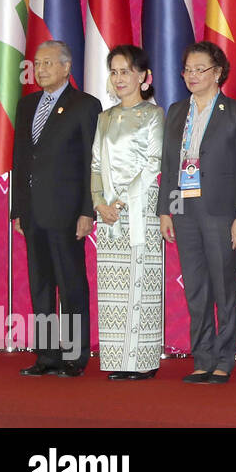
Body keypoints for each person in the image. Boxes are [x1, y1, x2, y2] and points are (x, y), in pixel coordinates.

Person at [160, 41, 236, 385]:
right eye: (188, 70)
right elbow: (170, 163)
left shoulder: (235, 112)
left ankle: (224, 360)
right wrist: (167, 210)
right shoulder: (176, 110)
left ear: (218, 73)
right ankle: (203, 358)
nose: (192, 76)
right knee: (195, 287)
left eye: (200, 69)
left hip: (219, 210)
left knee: (224, 286)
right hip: (184, 209)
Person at [12, 41, 102, 377]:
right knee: (41, 285)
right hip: (34, 213)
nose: (41, 69)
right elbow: (21, 158)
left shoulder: (84, 105)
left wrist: (86, 210)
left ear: (67, 67)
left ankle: (74, 356)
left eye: (49, 62)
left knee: (72, 282)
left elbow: (90, 163)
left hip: (67, 212)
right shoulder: (27, 105)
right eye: (38, 63)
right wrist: (18, 208)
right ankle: (47, 356)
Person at [91, 45, 165, 380]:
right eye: (115, 72)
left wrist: (120, 202)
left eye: (126, 71)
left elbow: (153, 164)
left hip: (140, 208)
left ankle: (142, 361)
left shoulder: (153, 115)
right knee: (113, 290)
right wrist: (99, 203)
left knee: (140, 284)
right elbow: (95, 164)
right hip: (106, 215)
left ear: (143, 77)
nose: (120, 78)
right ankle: (117, 359)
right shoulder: (104, 118)